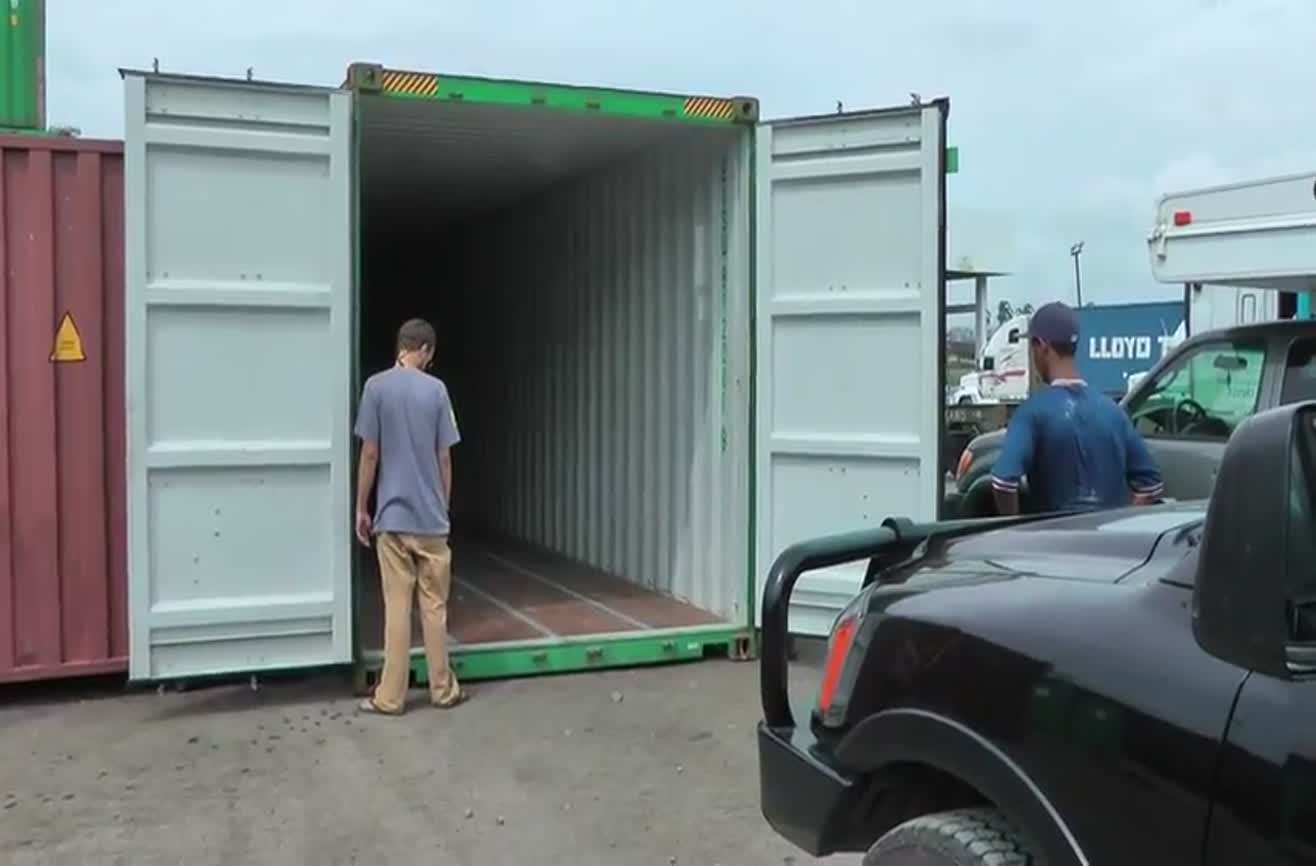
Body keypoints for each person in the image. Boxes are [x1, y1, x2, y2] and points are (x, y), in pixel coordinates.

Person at [354, 318, 467, 715]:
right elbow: (444, 458)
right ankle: (443, 689)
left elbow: (370, 453)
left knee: (397, 609)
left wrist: (361, 507)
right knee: (434, 607)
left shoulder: (376, 388)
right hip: (431, 522)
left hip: (393, 520)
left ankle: (390, 697)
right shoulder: (437, 392)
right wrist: (443, 506)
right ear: (427, 350)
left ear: (401, 346)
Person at [992, 301, 1164, 515]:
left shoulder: (1032, 413)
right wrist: (1121, 520)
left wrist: (1014, 530)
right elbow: (1152, 486)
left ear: (1042, 346)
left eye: (1032, 347)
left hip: (1050, 542)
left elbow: (1003, 481)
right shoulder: (1114, 413)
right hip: (1105, 542)